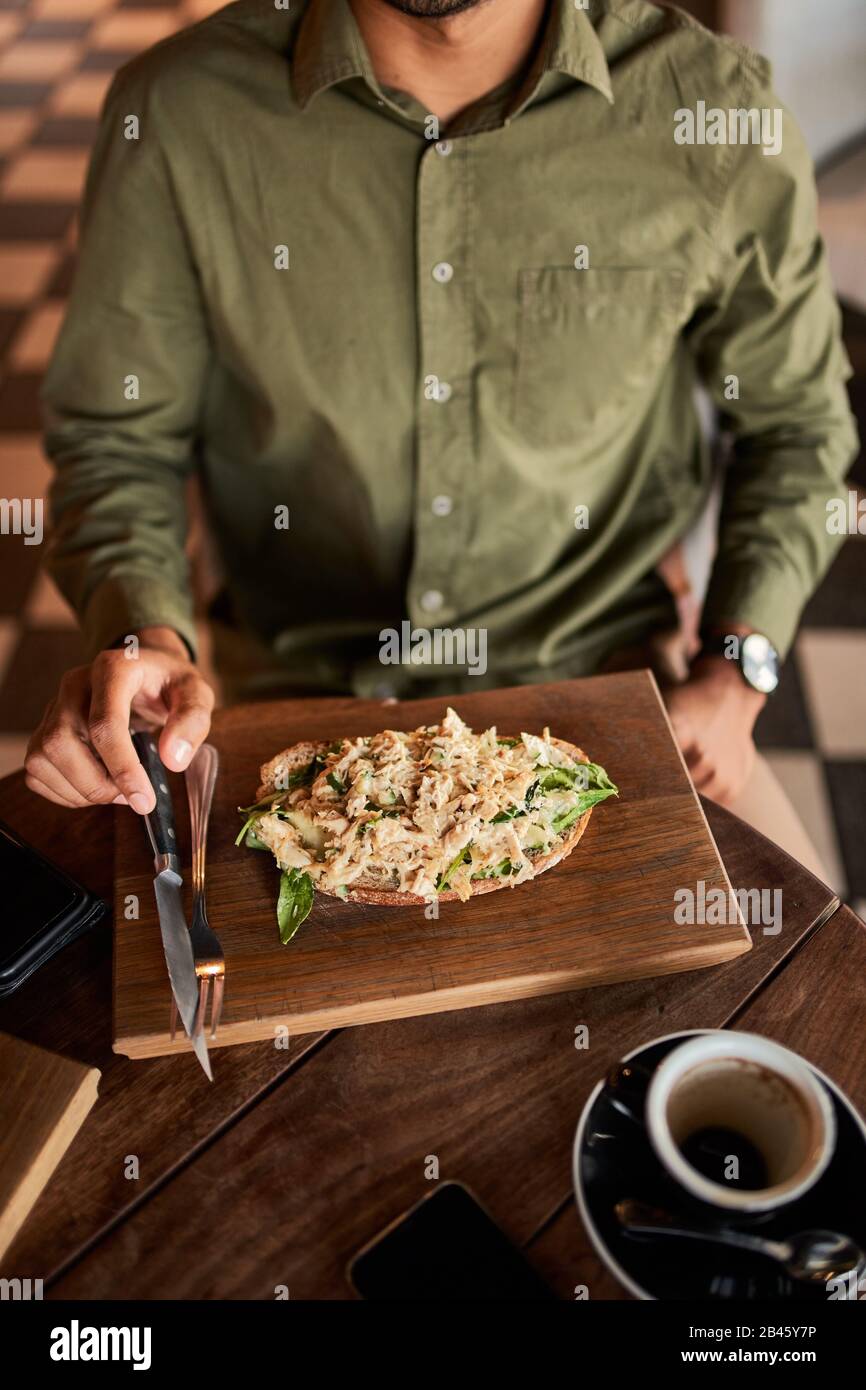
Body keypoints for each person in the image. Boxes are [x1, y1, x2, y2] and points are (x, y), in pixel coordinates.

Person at [26, 0, 857, 881]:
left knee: (802, 1005)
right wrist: (147, 638)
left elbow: (798, 424)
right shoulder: (178, 111)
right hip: (287, 707)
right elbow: (118, 441)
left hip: (609, 694)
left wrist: (734, 670)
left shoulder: (712, 108)